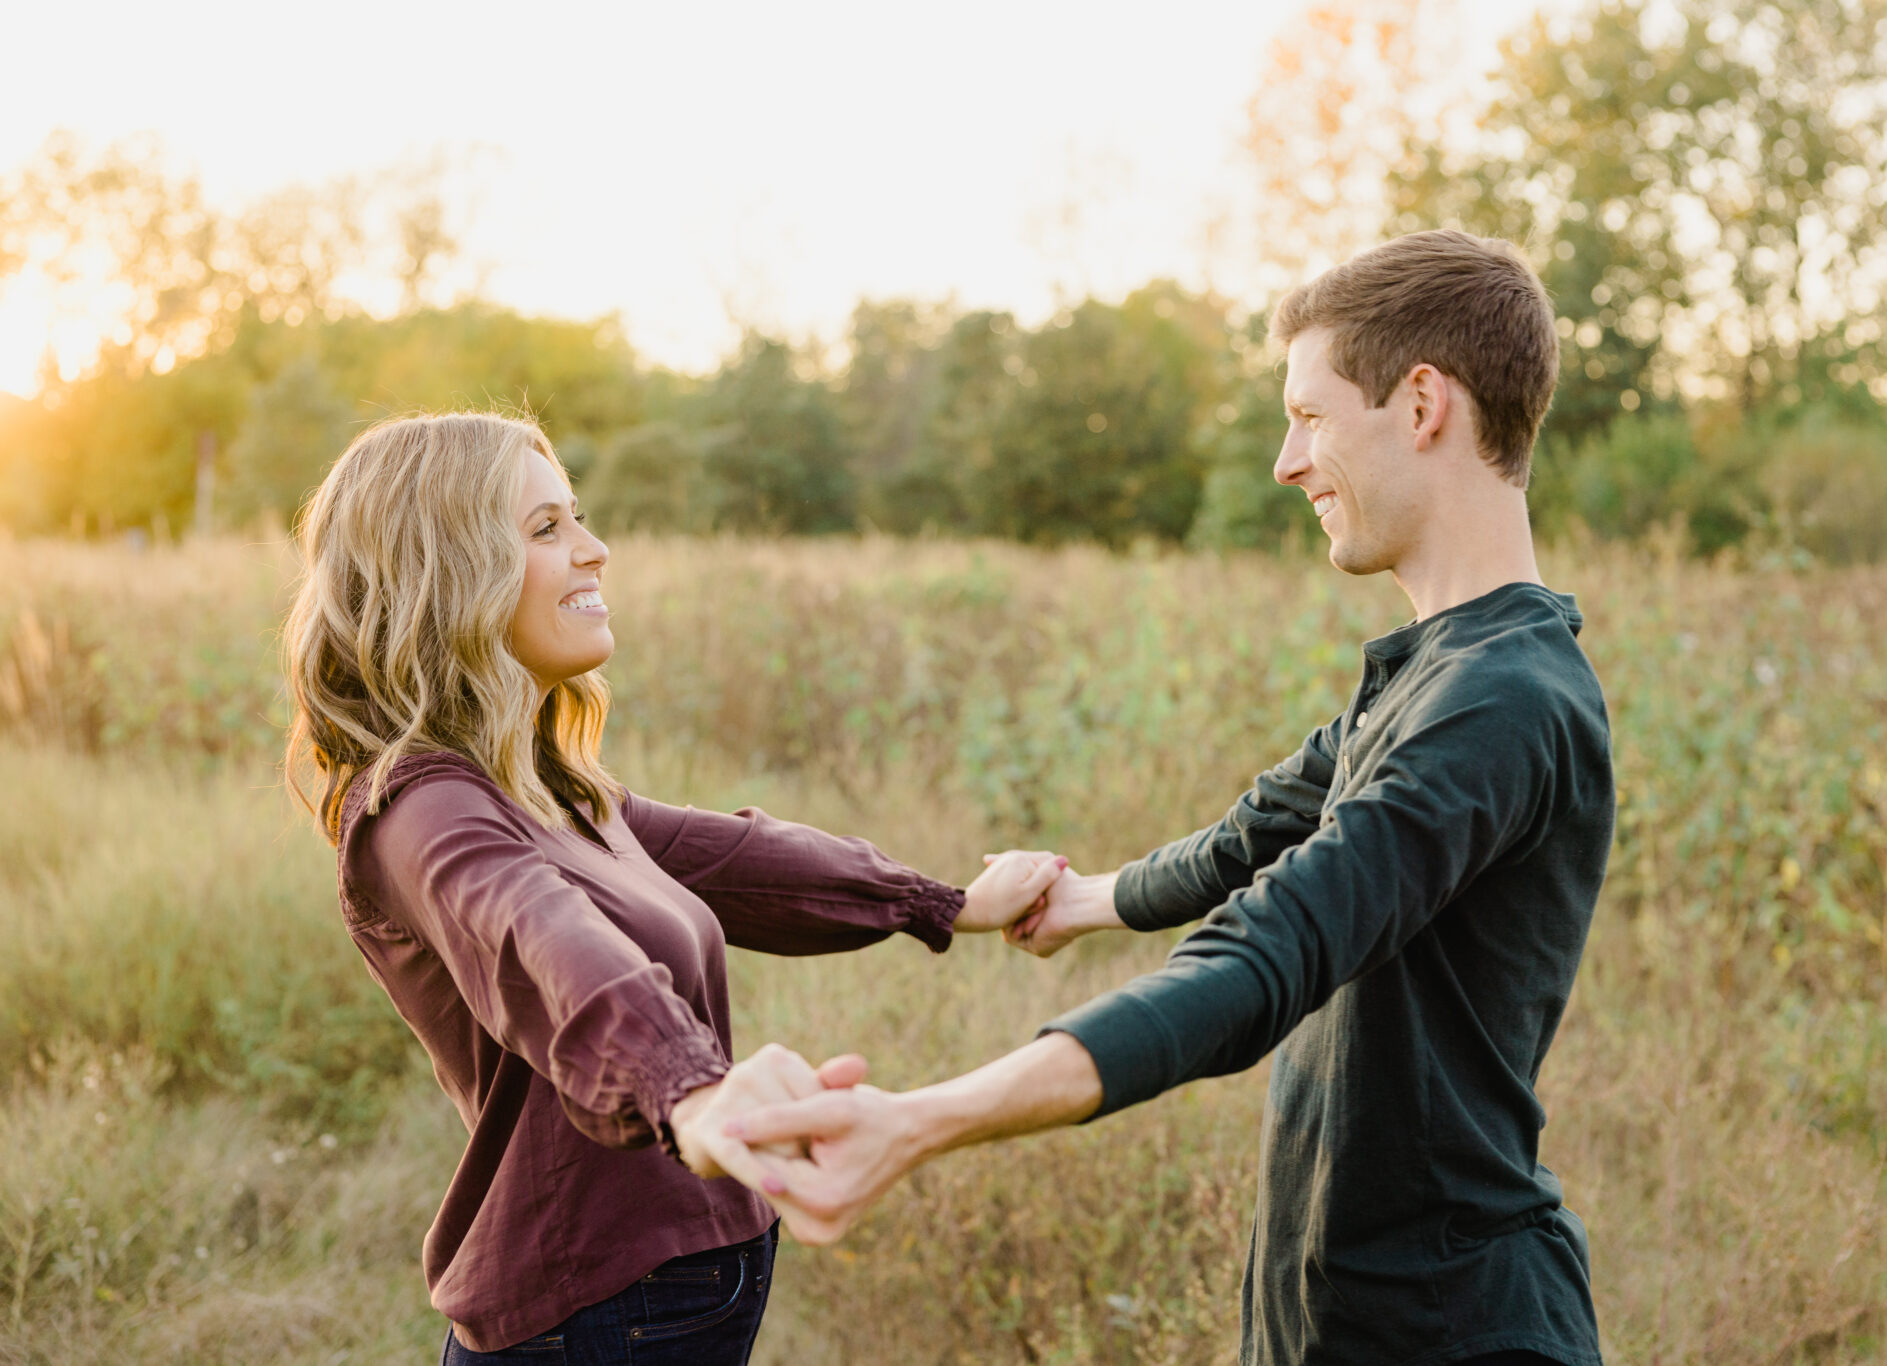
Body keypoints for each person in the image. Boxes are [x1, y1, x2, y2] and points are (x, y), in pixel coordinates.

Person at [712, 230, 1618, 1366]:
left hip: (1456, 1324)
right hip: (1334, 1308)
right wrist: (1077, 900)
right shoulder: (1435, 668)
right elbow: (1254, 837)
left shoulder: (1502, 702)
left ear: (1422, 402)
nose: (1286, 462)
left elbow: (1265, 948)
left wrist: (915, 1120)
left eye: (1309, 414)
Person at [281, 412, 1065, 1364]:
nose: (594, 549)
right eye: (545, 530)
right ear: (448, 574)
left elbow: (737, 859)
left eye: (577, 519)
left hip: (679, 1280)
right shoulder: (423, 811)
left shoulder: (538, 786)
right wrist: (687, 1090)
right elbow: (545, 941)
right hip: (588, 1310)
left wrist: (938, 904)